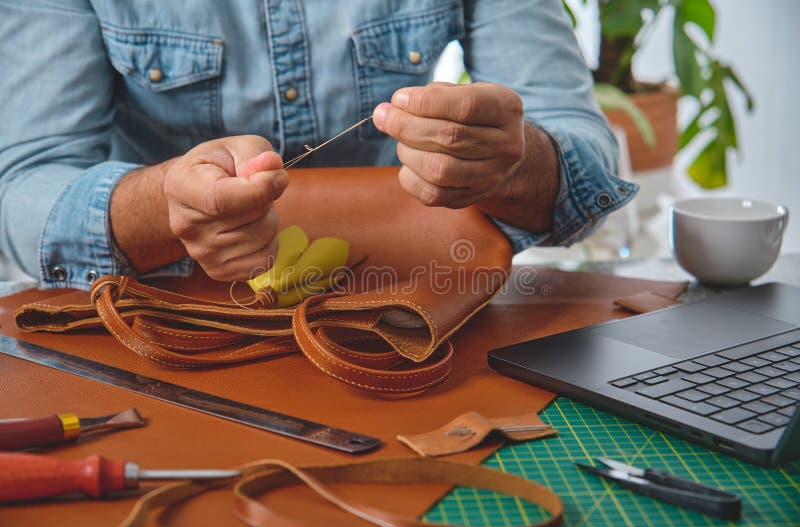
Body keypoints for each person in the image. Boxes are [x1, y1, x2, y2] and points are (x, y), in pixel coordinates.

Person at [0, 0, 636, 289]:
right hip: (173, 331)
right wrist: (163, 204)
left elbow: (585, 160)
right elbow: (22, 189)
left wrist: (512, 161)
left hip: (409, 314)